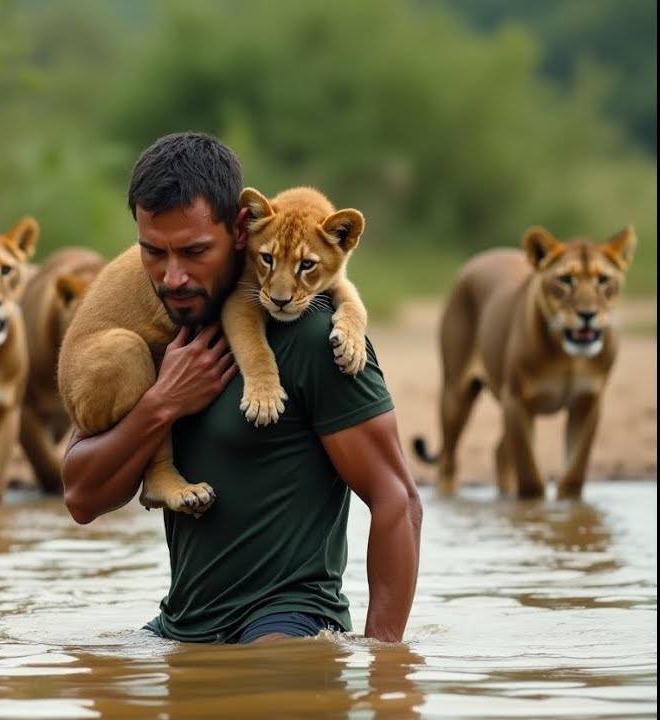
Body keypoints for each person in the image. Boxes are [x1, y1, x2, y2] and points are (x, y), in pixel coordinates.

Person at [61, 132, 422, 644]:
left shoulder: (315, 337)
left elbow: (398, 500)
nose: (173, 277)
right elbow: (81, 497)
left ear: (238, 230)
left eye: (194, 251)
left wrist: (386, 669)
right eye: (153, 252)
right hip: (182, 624)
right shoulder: (160, 331)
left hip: (287, 624)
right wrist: (162, 404)